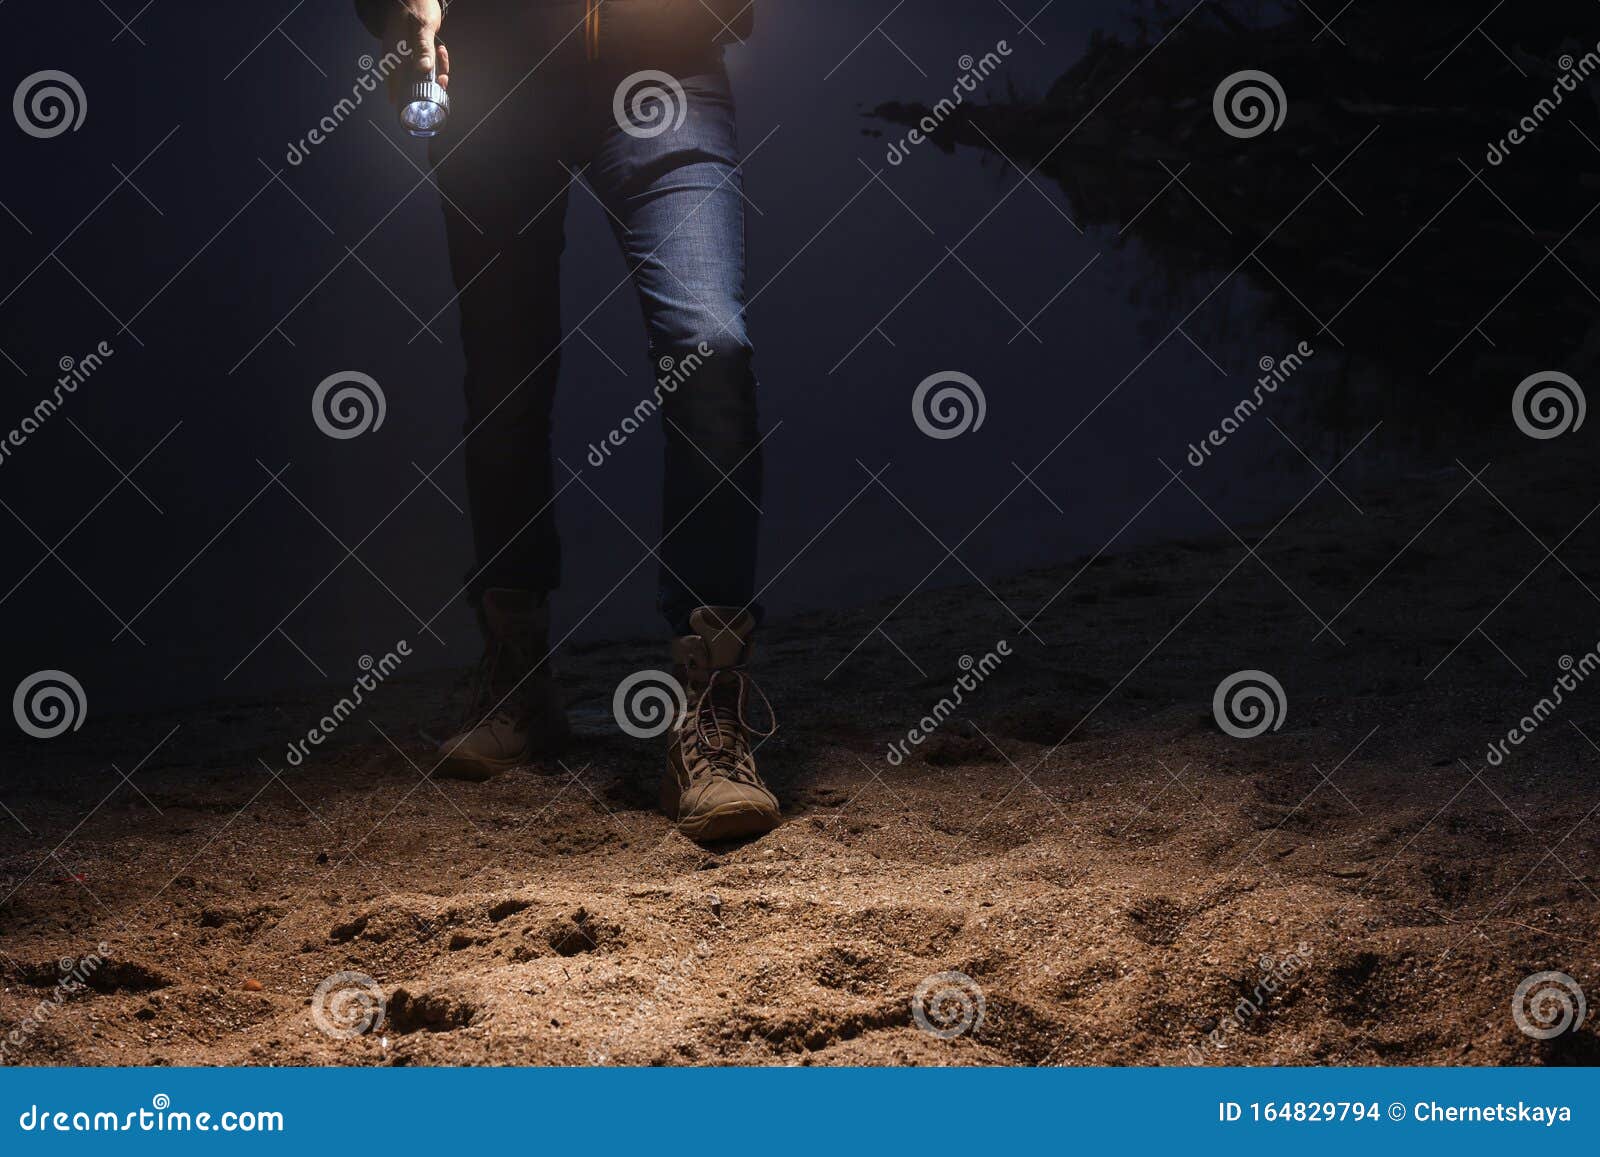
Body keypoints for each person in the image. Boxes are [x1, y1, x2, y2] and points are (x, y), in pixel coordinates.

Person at [354, 0, 778, 841]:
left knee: (712, 346)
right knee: (506, 379)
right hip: (497, 83)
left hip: (665, 69)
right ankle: (517, 672)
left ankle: (712, 698)